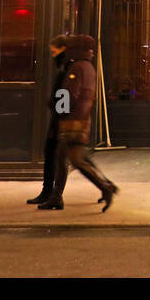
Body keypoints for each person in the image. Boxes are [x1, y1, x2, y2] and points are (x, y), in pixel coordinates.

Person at [40, 34, 119, 212]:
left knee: (76, 160)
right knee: (64, 158)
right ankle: (56, 197)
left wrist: (58, 112)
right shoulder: (88, 66)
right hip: (80, 120)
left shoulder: (77, 68)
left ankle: (105, 187)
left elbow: (69, 94)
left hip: (73, 122)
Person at [28, 34, 72, 206]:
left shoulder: (66, 69)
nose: (52, 54)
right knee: (71, 158)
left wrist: (59, 112)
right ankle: (49, 192)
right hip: (60, 118)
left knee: (57, 156)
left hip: (60, 120)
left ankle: (50, 193)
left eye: (54, 50)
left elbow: (64, 94)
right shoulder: (66, 67)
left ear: (62, 49)